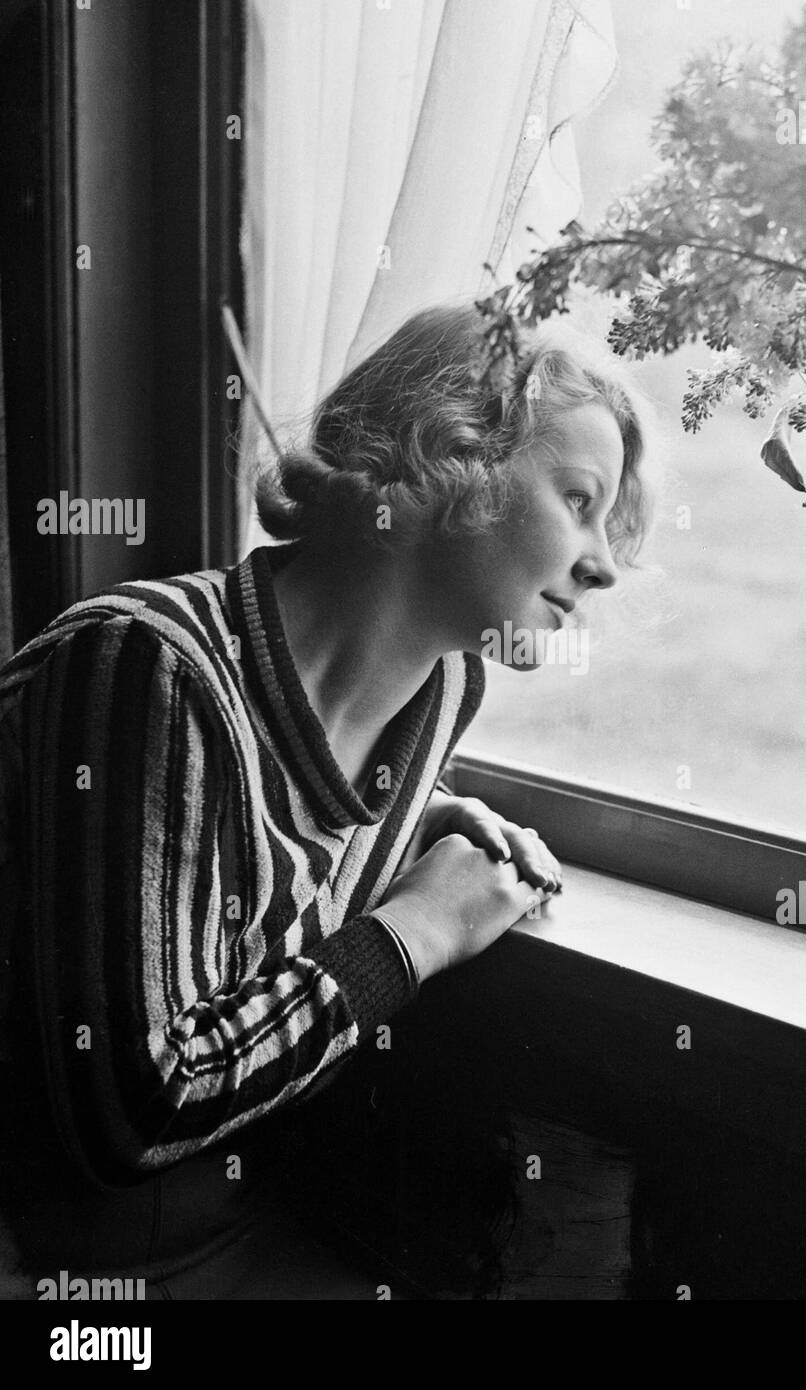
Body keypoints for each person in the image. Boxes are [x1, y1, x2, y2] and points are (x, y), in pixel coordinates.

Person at [0, 301, 654, 1298]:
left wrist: (415, 822)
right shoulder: (147, 665)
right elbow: (136, 1110)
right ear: (447, 459)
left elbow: (277, 830)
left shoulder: (439, 691)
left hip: (233, 1236)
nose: (602, 564)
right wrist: (417, 930)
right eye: (578, 499)